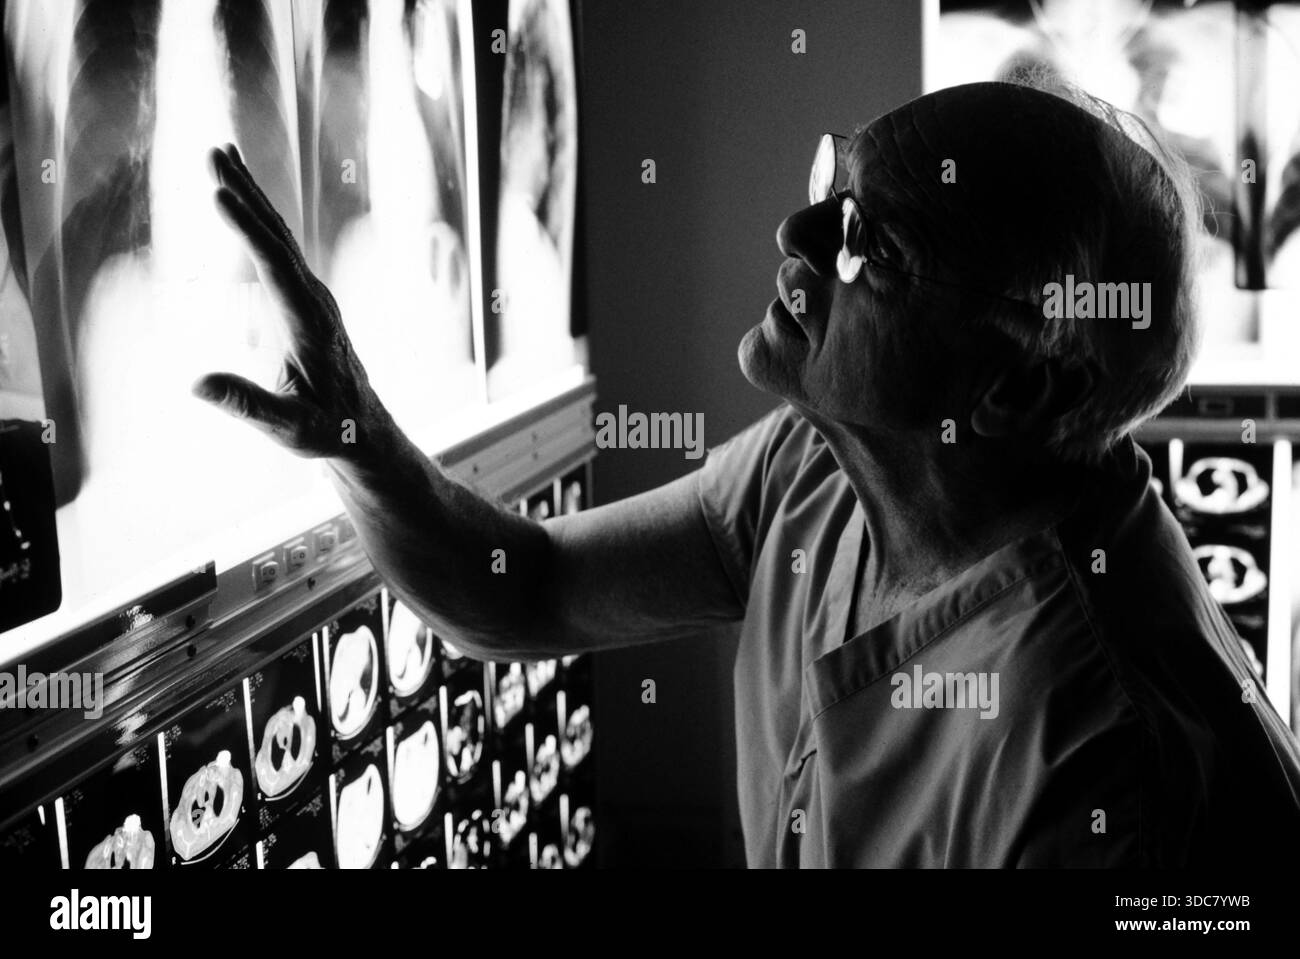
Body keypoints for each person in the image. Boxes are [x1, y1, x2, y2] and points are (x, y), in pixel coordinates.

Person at [195, 78, 1300, 867]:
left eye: (870, 240)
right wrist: (357, 435)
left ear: (1008, 390)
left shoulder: (1113, 764)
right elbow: (518, 586)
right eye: (830, 181)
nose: (796, 230)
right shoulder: (814, 469)